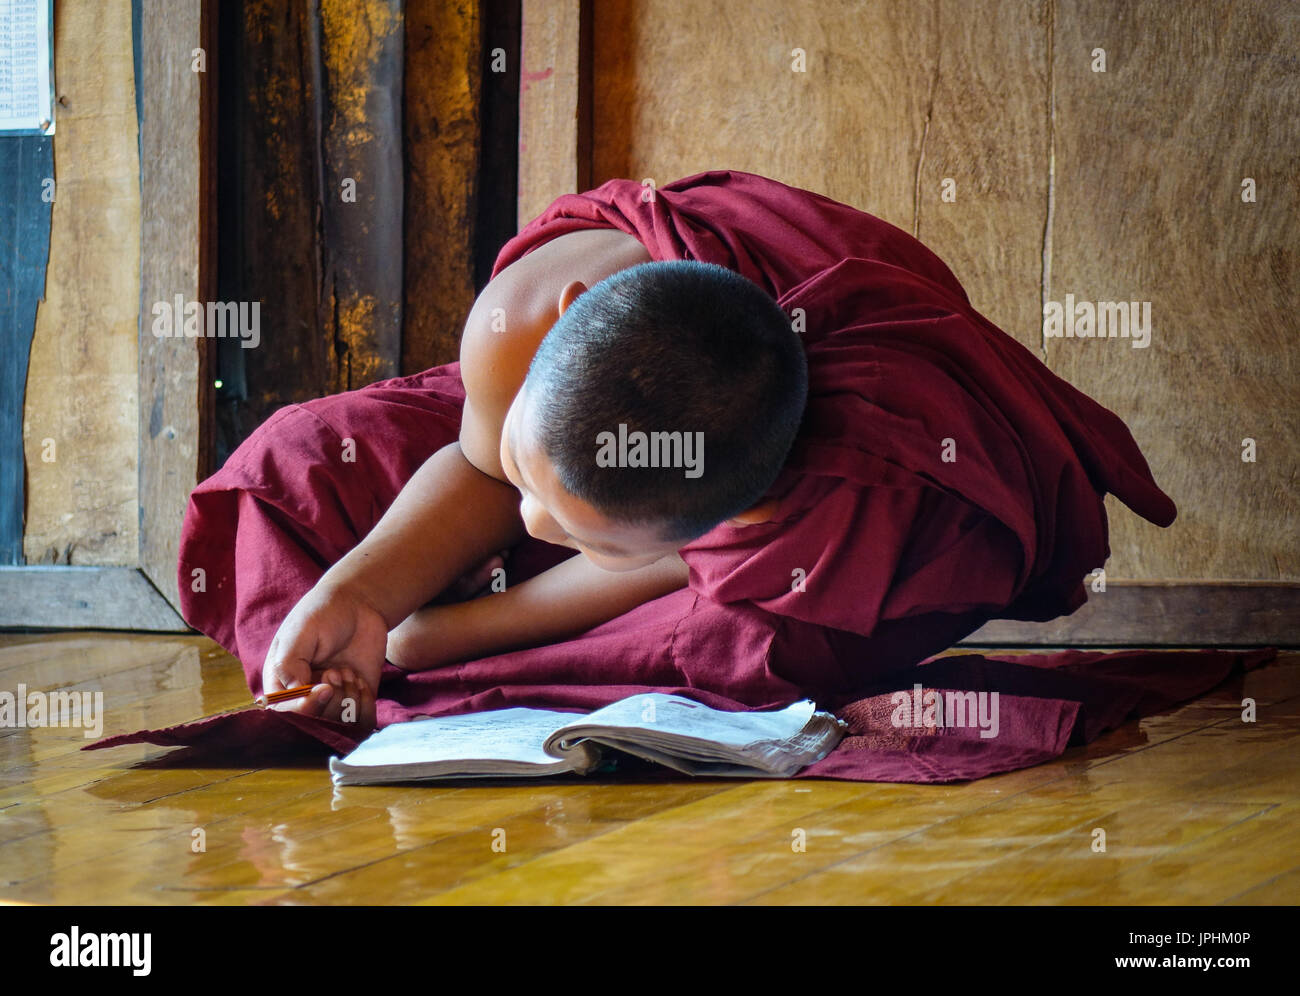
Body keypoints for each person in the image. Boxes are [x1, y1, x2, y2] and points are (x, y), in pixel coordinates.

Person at [178, 170, 1176, 733]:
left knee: (744, 648)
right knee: (296, 463)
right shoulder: (521, 323)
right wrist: (359, 592)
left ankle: (490, 651)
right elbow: (486, 469)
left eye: (559, 523)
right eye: (532, 478)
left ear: (735, 527)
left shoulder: (840, 484)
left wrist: (441, 635)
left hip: (783, 542)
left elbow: (654, 559)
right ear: (570, 321)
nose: (523, 517)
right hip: (623, 469)